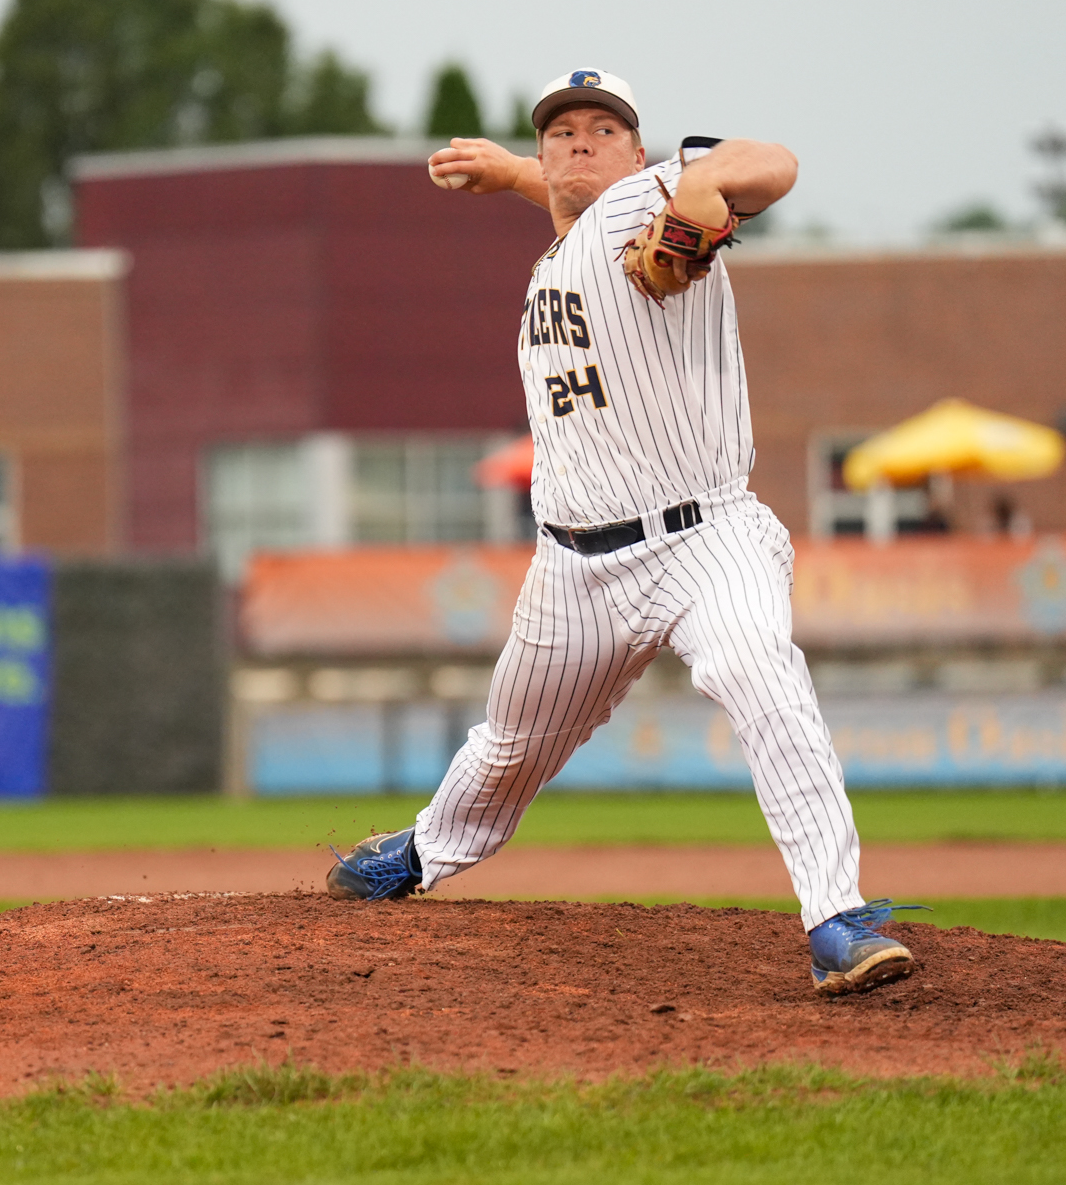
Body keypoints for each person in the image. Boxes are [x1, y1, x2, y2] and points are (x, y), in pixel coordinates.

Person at [324, 69, 917, 996]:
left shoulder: (653, 194)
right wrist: (510, 173)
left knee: (758, 671)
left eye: (603, 129)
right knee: (512, 743)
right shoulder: (564, 247)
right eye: (561, 130)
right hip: (573, 569)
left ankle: (836, 918)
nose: (579, 141)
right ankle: (423, 850)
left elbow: (776, 164)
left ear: (639, 153)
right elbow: (572, 203)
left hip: (704, 539)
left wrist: (698, 183)